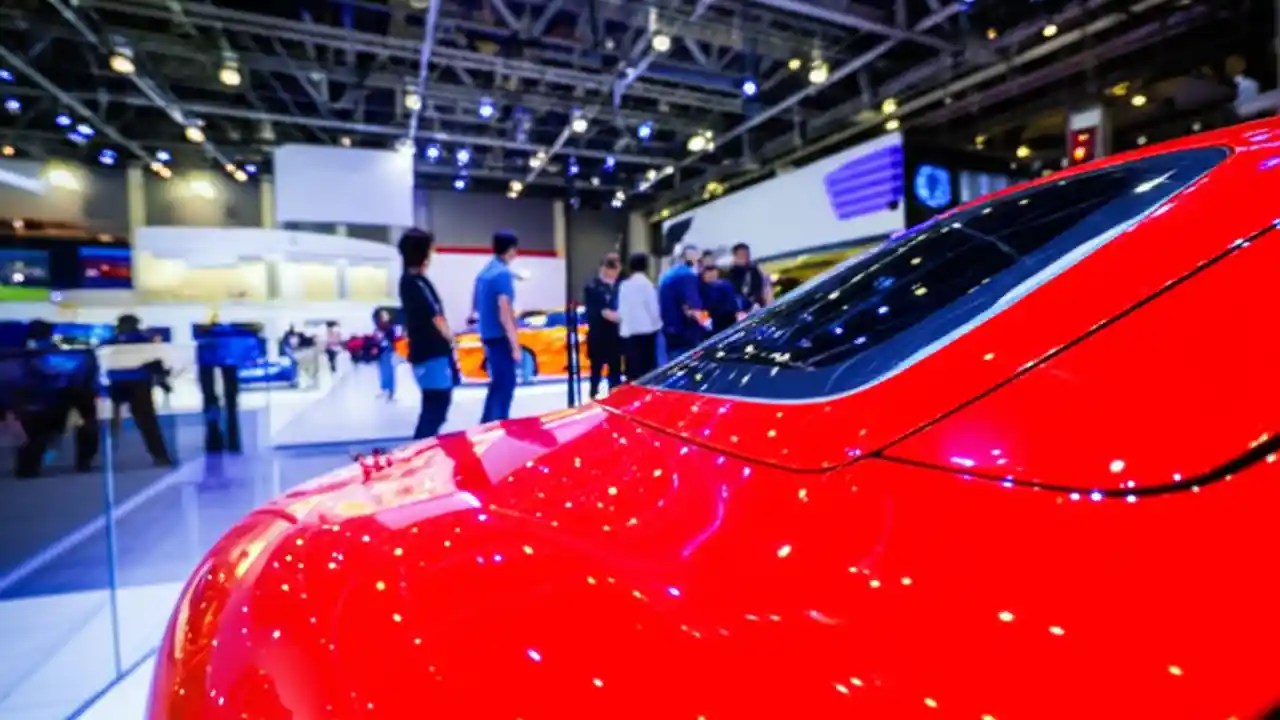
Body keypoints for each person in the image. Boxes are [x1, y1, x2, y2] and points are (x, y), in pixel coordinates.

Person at [398, 229, 456, 439]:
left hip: (428, 353)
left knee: (434, 407)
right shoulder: (415, 283)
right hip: (431, 354)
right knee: (436, 407)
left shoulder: (411, 281)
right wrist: (450, 337)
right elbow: (435, 315)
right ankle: (420, 451)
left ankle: (422, 449)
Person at [105, 314, 173, 467]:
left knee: (115, 420)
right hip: (138, 383)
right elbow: (155, 362)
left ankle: (107, 456)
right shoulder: (142, 340)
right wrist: (163, 381)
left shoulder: (113, 340)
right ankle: (160, 455)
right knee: (147, 421)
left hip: (118, 381)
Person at [474, 230, 522, 423]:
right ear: (510, 250)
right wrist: (515, 344)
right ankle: (498, 427)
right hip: (500, 338)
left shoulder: (484, 273)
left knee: (497, 385)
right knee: (505, 386)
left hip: (487, 335)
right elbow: (504, 311)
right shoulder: (502, 274)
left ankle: (485, 425)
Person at [658, 241, 707, 358]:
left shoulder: (666, 275)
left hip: (669, 331)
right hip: (685, 333)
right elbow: (694, 307)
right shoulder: (687, 276)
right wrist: (708, 323)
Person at [583, 253, 622, 399]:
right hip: (599, 335)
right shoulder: (593, 287)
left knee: (615, 372)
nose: (616, 274)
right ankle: (593, 396)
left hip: (615, 337)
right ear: (607, 269)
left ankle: (615, 399)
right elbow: (604, 312)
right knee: (596, 371)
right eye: (614, 270)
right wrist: (625, 318)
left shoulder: (618, 286)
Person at [617, 252, 662, 379]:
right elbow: (653, 308)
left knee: (632, 368)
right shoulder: (647, 285)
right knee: (646, 369)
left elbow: (622, 309)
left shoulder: (624, 285)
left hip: (629, 332)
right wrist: (658, 324)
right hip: (646, 331)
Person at [699, 260, 744, 334]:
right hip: (714, 326)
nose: (711, 273)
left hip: (732, 321)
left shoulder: (726, 284)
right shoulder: (700, 289)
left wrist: (738, 313)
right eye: (707, 271)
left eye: (713, 270)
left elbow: (734, 302)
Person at [728, 242, 774, 311]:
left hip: (760, 306)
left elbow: (763, 287)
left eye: (747, 255)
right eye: (741, 255)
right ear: (735, 257)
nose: (745, 258)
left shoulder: (754, 270)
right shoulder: (731, 275)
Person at [373, 308, 397, 400]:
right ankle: (385, 388)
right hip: (381, 351)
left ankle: (390, 390)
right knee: (383, 370)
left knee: (389, 370)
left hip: (388, 350)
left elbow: (393, 338)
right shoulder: (379, 327)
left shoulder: (389, 327)